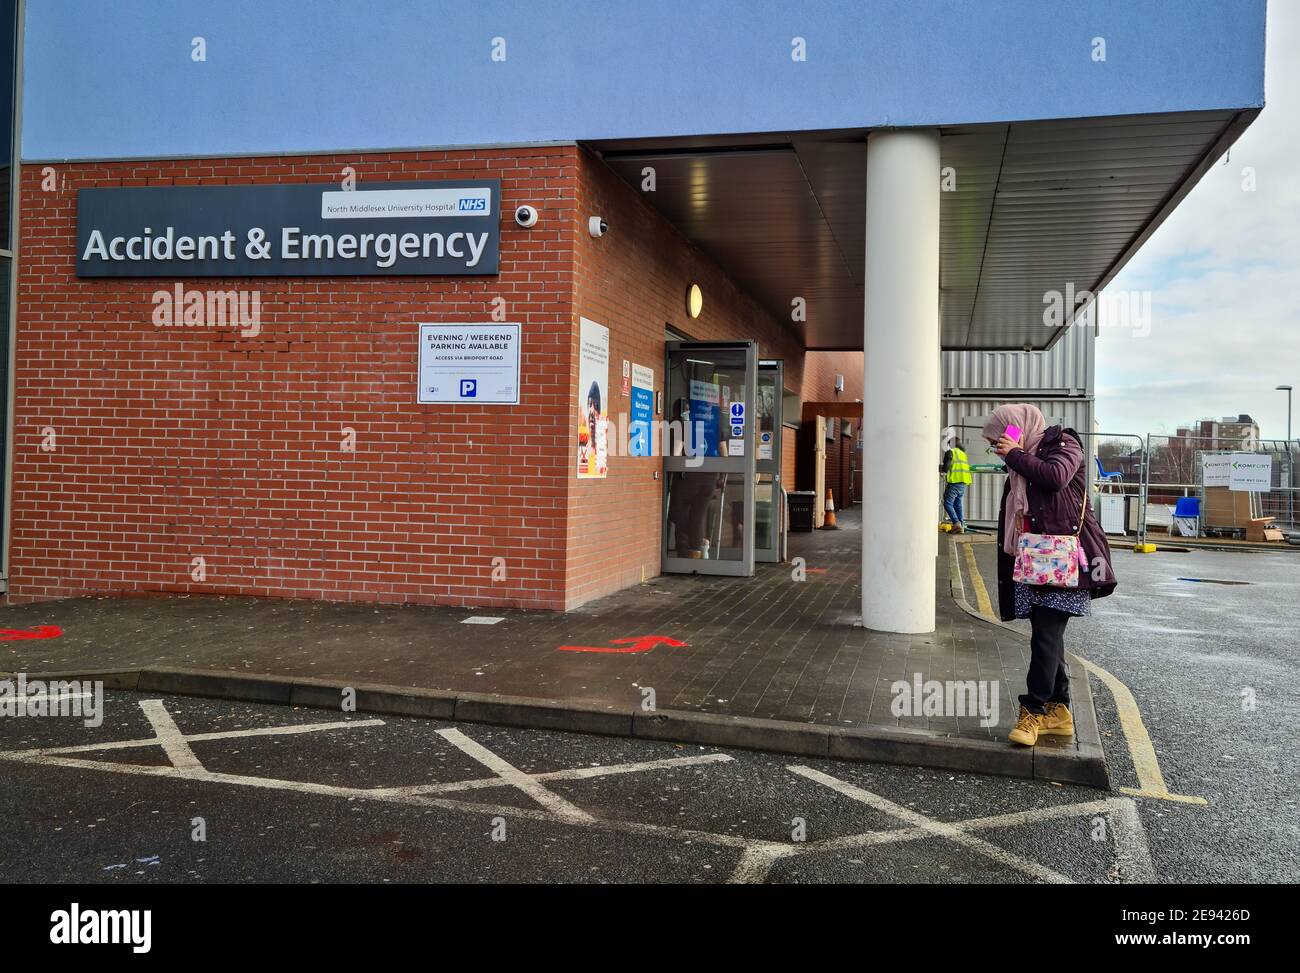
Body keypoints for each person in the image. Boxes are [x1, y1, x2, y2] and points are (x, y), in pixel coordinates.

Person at [983, 404, 1117, 747]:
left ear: (1016, 427)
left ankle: (1034, 710)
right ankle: (1059, 712)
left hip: (1064, 560)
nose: (998, 446)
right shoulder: (1022, 461)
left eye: (1000, 436)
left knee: (1045, 635)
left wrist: (1014, 454)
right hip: (1035, 559)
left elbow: (1055, 478)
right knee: (1047, 636)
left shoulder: (1063, 445)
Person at [939, 438, 972, 532]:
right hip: (963, 482)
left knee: (947, 503)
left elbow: (946, 468)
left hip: (955, 482)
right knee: (958, 504)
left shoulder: (951, 452)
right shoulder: (962, 454)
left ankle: (956, 523)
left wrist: (941, 469)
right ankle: (961, 525)